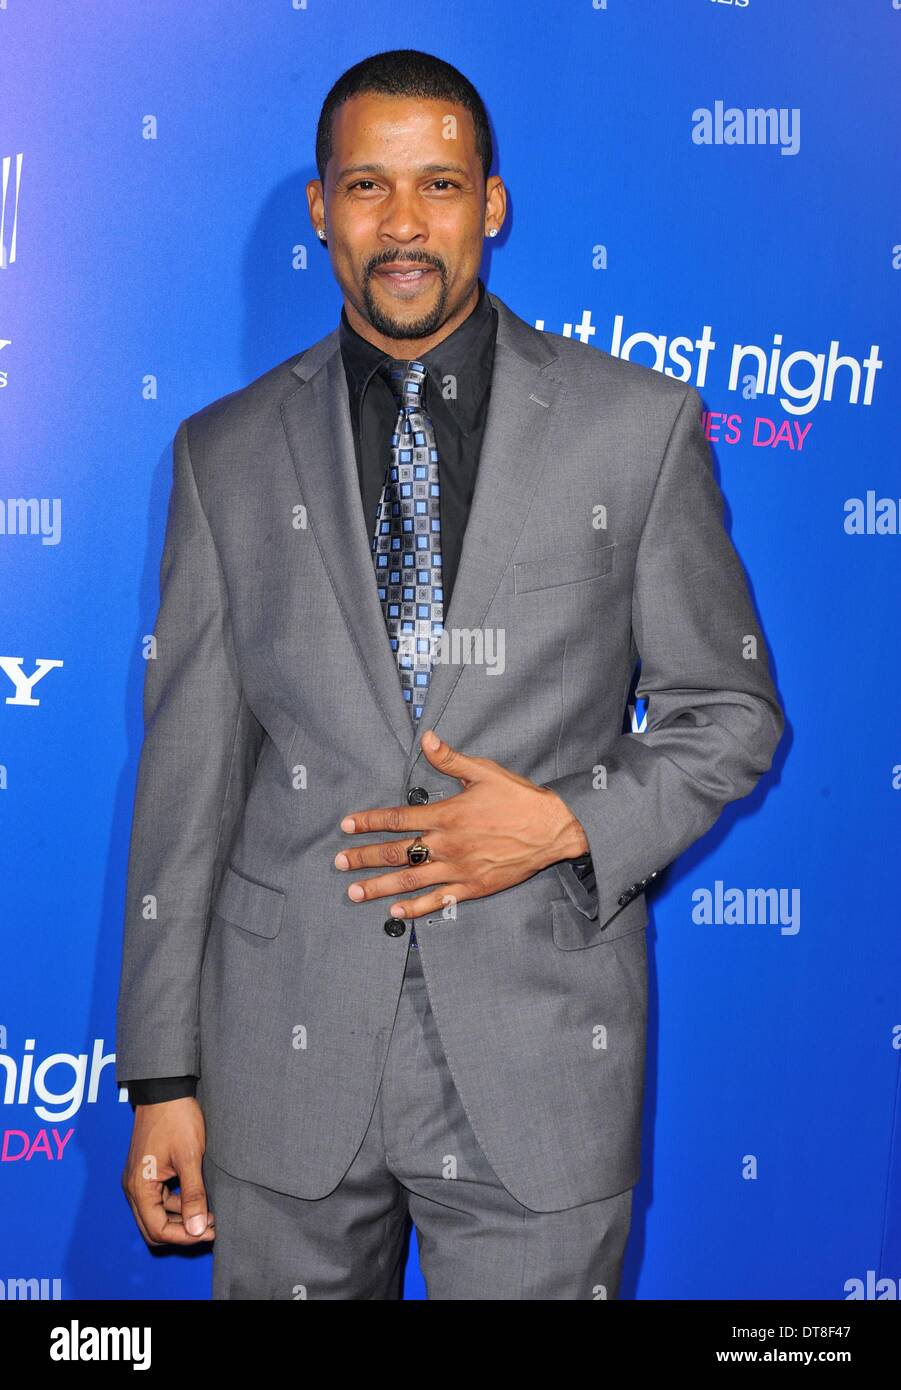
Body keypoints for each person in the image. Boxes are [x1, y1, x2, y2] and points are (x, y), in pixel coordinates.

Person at [116, 48, 784, 1300]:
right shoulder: (225, 455)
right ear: (320, 209)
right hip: (283, 1064)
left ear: (492, 202)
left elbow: (730, 714)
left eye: (438, 184)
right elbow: (187, 787)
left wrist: (562, 824)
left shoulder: (634, 428)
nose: (403, 225)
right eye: (367, 187)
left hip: (538, 1057)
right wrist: (163, 1079)